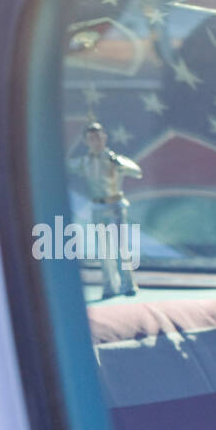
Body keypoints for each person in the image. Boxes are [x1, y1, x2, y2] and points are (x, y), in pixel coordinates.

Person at [68, 121, 142, 300]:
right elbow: (65, 166)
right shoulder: (84, 162)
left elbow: (137, 171)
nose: (96, 141)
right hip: (97, 207)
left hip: (115, 205)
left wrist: (119, 164)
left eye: (98, 137)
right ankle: (110, 285)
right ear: (86, 141)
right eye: (91, 138)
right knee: (104, 249)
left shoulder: (113, 159)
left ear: (105, 138)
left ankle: (128, 284)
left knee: (120, 246)